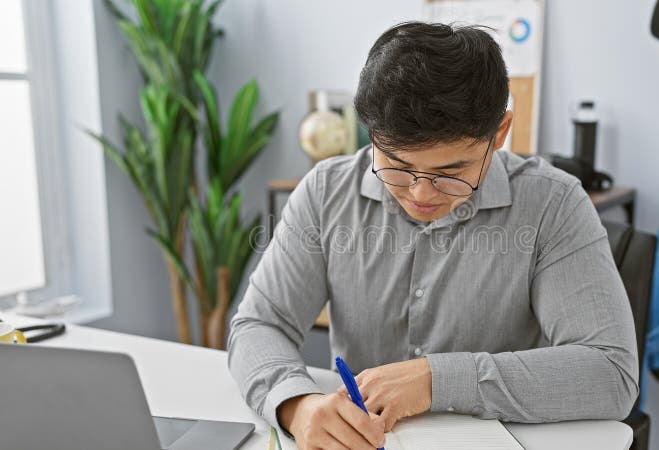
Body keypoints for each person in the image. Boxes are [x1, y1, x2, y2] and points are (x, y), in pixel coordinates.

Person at [228, 21, 638, 450]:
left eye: (451, 172)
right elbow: (260, 324)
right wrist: (298, 405)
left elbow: (611, 373)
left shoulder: (553, 204)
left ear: (499, 133)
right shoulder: (327, 191)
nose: (421, 193)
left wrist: (437, 379)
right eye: (398, 166)